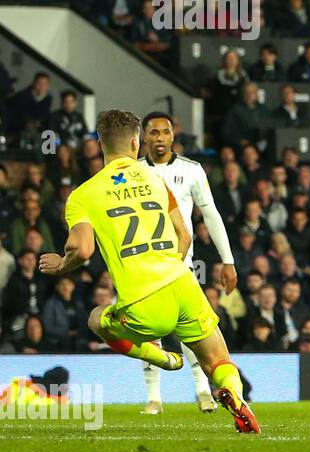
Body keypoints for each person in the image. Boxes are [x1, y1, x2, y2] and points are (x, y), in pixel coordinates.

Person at [37, 110, 258, 433]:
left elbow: (82, 250)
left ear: (100, 144)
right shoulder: (157, 180)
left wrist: (60, 264)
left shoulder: (83, 194)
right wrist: (170, 268)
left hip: (143, 301)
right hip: (183, 283)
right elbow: (185, 235)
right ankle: (236, 398)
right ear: (136, 141)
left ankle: (162, 358)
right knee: (218, 360)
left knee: (97, 318)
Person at [137, 111, 238, 415]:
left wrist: (228, 260)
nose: (159, 138)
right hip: (144, 263)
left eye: (165, 132)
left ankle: (202, 390)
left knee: (189, 328)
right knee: (147, 331)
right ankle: (154, 397)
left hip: (182, 263)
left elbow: (211, 214)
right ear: (143, 137)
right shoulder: (131, 172)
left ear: (173, 135)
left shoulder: (192, 171)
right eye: (153, 133)